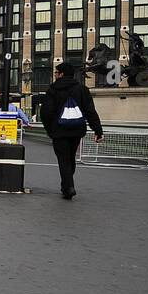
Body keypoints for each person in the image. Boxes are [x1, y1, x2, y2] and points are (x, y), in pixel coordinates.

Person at [40, 60, 104, 200]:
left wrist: (50, 129)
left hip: (59, 131)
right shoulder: (82, 89)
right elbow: (90, 111)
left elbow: (46, 112)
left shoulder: (53, 89)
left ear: (62, 74)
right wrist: (98, 131)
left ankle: (68, 187)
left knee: (63, 159)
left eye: (57, 72)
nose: (55, 75)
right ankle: (67, 185)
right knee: (70, 157)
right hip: (76, 130)